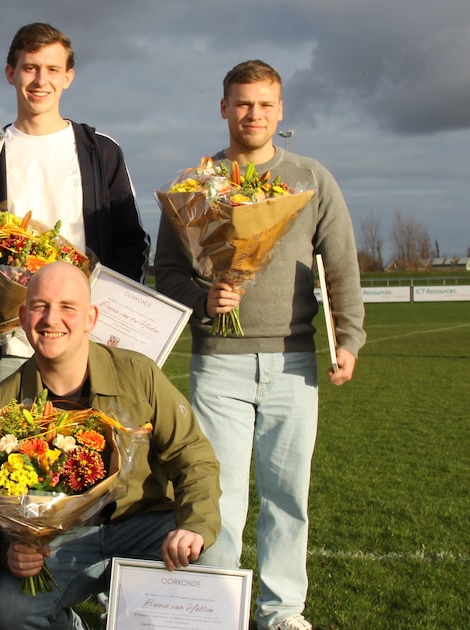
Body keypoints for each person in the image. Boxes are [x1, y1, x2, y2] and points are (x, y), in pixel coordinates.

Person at [153, 60, 366, 630]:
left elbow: (340, 263)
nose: (254, 114)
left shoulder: (310, 178)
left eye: (265, 104)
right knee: (218, 496)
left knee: (287, 496)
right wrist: (206, 301)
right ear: (223, 108)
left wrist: (349, 336)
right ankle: (218, 610)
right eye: (243, 103)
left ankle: (281, 611)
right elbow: (167, 272)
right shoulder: (192, 186)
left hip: (294, 363)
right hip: (218, 365)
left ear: (281, 110)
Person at [0, 261, 220, 630]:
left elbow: (193, 455)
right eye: (40, 306)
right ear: (23, 315)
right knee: (14, 613)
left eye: (67, 307)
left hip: (143, 525)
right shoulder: (5, 400)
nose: (51, 319)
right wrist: (13, 547)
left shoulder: (138, 374)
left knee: (208, 557)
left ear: (91, 318)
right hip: (60, 542)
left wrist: (195, 526)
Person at [0, 22, 150, 384]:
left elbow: (132, 242)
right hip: (14, 344)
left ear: (68, 76)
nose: (41, 80)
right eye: (30, 68)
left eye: (52, 69)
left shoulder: (101, 151)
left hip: (88, 341)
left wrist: (110, 316)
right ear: (11, 74)